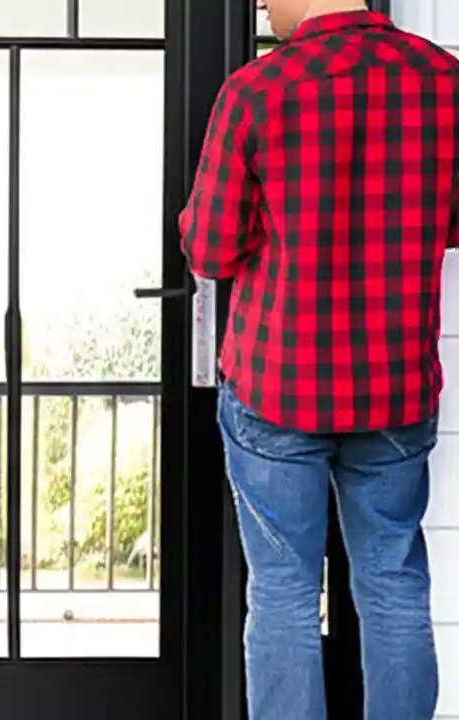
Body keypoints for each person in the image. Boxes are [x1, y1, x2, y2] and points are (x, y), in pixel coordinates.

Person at [180, 1, 459, 718]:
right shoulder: (444, 81)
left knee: (282, 591)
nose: (264, 7)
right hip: (394, 389)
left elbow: (209, 248)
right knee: (393, 584)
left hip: (277, 386)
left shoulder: (258, 91)